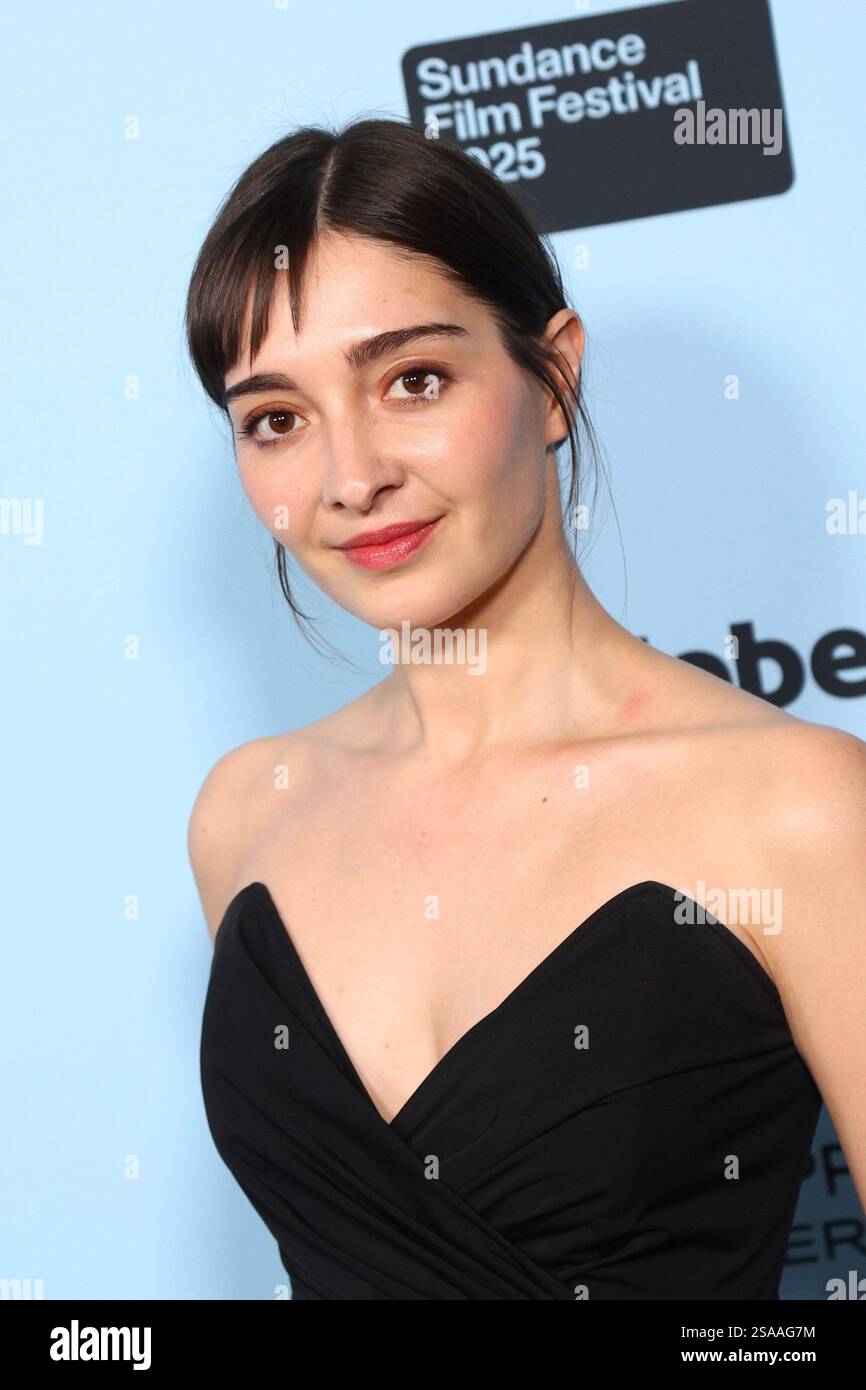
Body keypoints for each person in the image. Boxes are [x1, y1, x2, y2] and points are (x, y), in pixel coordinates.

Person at [189, 117, 866, 1299]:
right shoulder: (246, 815)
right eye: (276, 419)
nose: (351, 478)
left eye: (411, 379)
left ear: (551, 375)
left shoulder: (796, 808)